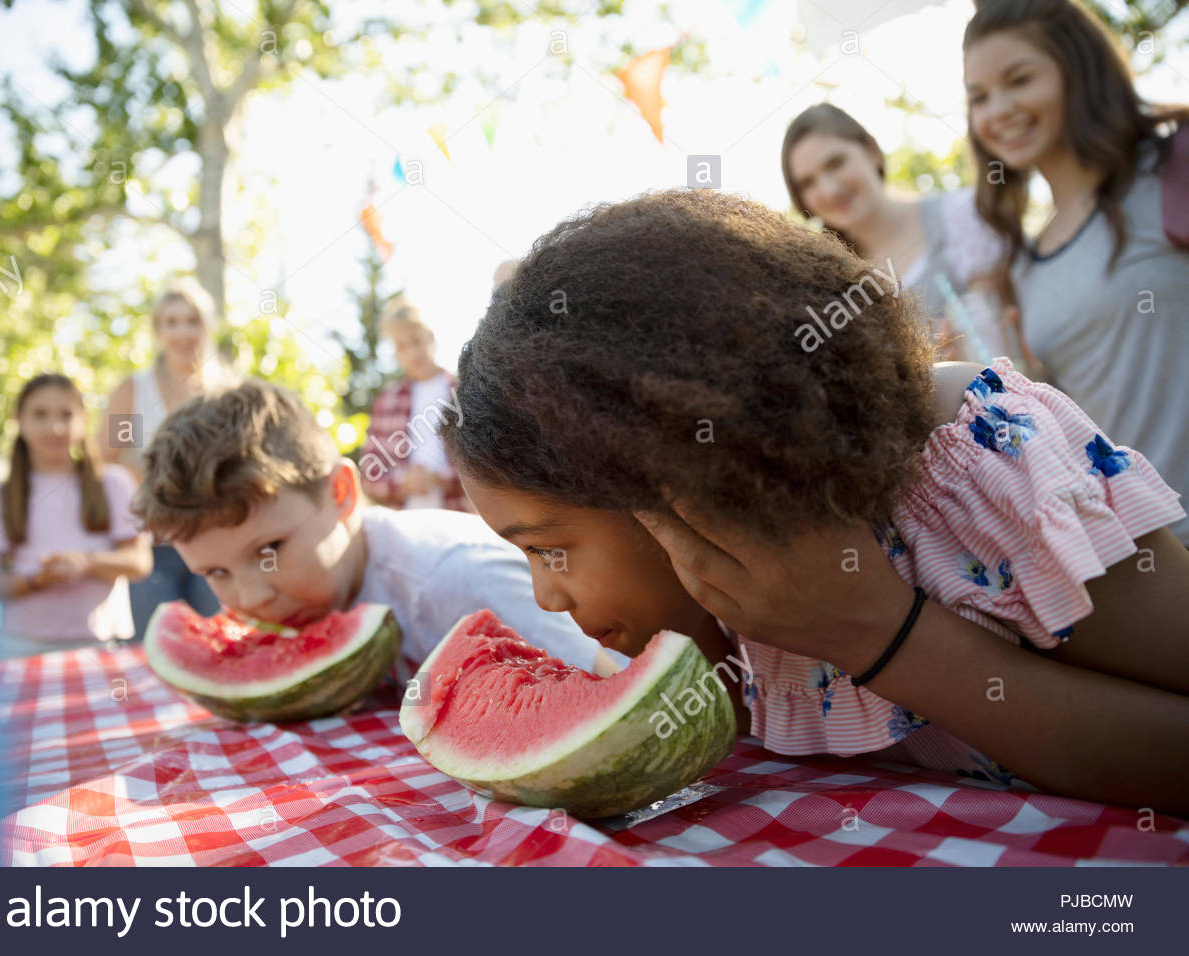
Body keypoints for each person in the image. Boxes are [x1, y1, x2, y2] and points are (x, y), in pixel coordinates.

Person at [441, 189, 1189, 814]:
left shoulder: (975, 461)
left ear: (661, 478)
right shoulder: (724, 620)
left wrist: (878, 636)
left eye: (546, 547)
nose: (545, 596)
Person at [132, 380, 615, 676]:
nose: (252, 596)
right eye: (215, 572)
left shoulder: (456, 581)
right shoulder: (310, 601)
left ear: (341, 493)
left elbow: (612, 696)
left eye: (268, 551)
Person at [962, 0, 1189, 545]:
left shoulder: (1174, 165)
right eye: (978, 97)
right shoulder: (1020, 266)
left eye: (1019, 79)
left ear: (1077, 69)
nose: (998, 110)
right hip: (1154, 558)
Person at [782, 104, 1019, 364]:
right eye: (807, 182)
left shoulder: (960, 216)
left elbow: (1008, 334)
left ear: (871, 151)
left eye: (836, 163)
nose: (829, 189)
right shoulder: (829, 287)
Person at [0, 374, 153, 659]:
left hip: (100, 643)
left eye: (66, 415)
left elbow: (139, 562)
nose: (54, 427)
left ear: (83, 420)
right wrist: (38, 579)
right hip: (22, 645)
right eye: (40, 415)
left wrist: (86, 562)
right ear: (19, 420)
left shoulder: (114, 483)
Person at [98, 280, 237, 627]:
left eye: (192, 321)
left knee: (221, 642)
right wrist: (154, 476)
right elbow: (102, 460)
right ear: (158, 331)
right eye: (171, 322)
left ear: (206, 328)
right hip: (152, 545)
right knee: (153, 650)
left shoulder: (227, 391)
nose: (183, 332)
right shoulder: (132, 390)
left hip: (217, 543)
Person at [359, 298, 471, 512]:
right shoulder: (388, 399)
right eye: (401, 346)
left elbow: (490, 467)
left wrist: (441, 479)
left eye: (416, 341)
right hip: (405, 524)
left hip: (461, 518)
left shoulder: (464, 391)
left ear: (430, 336)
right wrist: (404, 483)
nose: (411, 353)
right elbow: (370, 475)